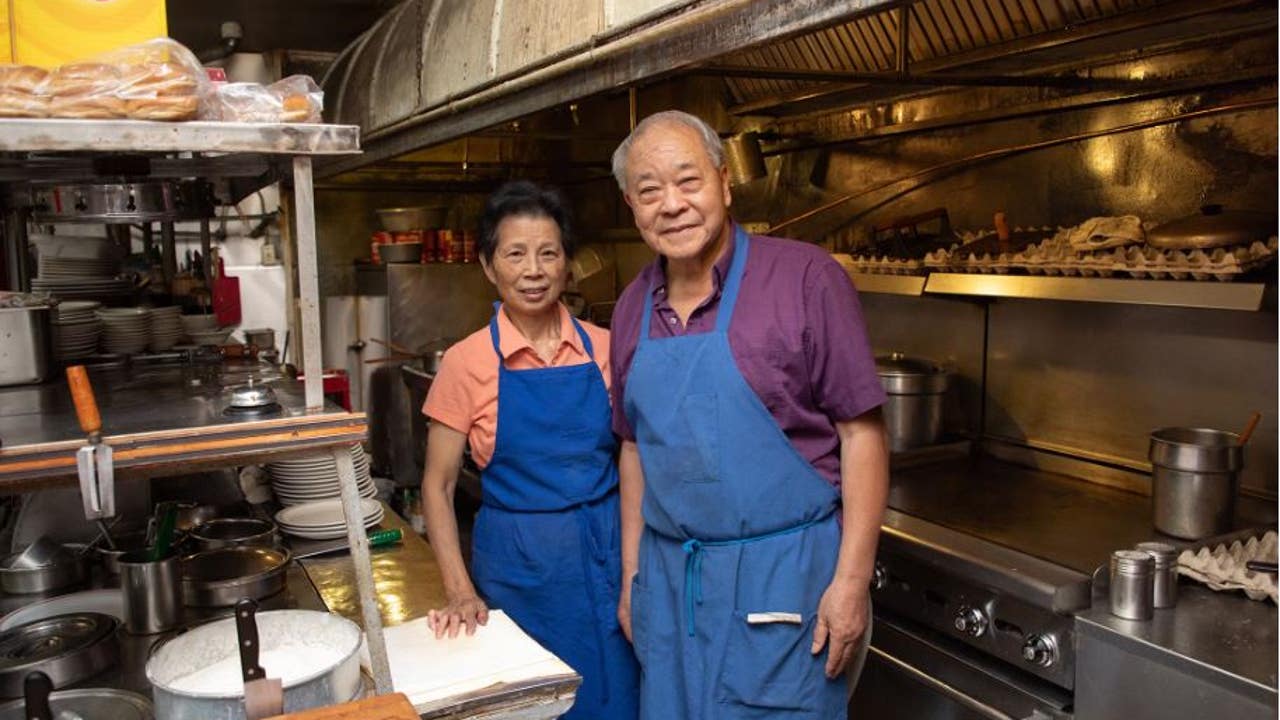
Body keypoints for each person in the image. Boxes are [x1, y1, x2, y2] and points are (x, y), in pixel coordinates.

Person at [609, 110, 889, 719]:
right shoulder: (631, 306)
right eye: (650, 190)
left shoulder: (806, 278)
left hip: (785, 587)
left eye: (689, 181)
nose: (673, 205)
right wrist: (634, 578)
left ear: (725, 183)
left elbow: (861, 433)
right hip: (672, 586)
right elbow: (633, 449)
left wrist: (850, 583)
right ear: (632, 205)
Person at [421, 180, 639, 720]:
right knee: (530, 705)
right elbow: (437, 484)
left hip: (606, 556)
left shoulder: (608, 348)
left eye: (548, 253)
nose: (534, 270)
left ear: (567, 263)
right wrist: (458, 588)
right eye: (515, 254)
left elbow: (636, 459)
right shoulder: (465, 362)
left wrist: (637, 573)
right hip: (518, 569)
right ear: (489, 266)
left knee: (618, 702)